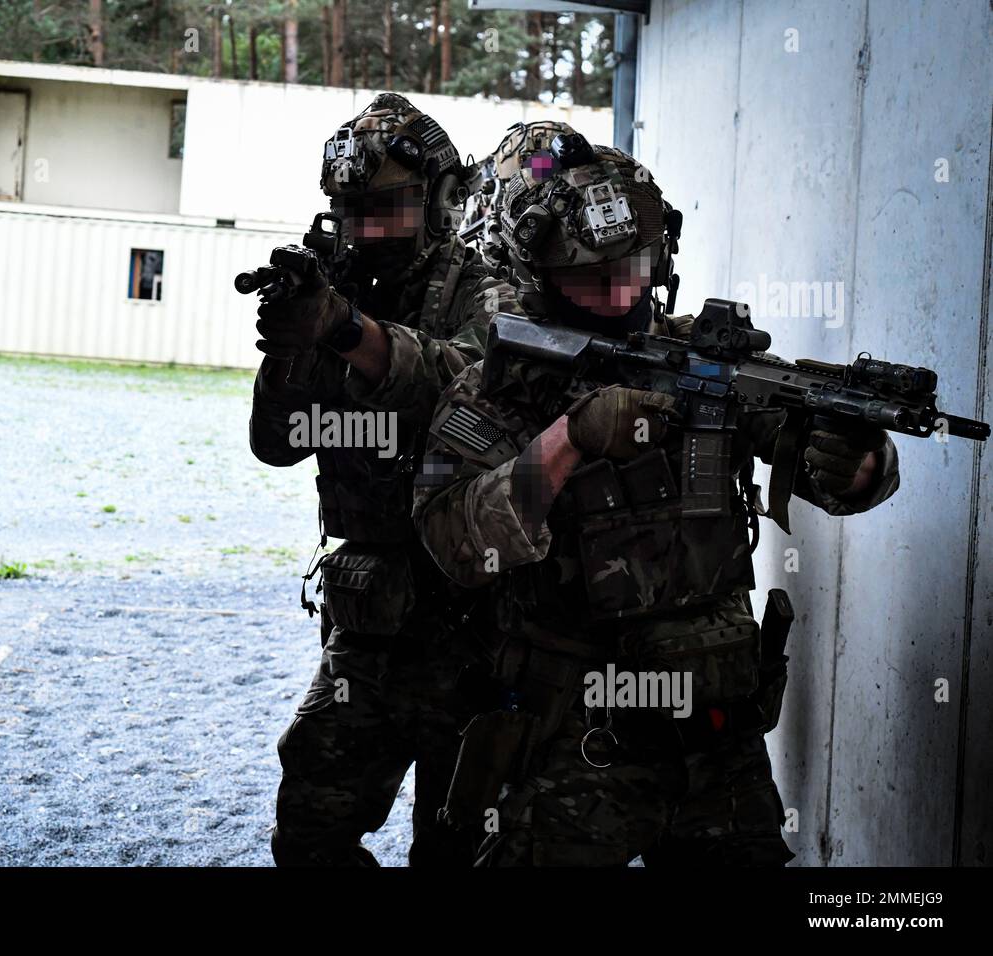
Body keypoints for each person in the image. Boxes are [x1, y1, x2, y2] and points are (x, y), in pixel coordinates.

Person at [412, 125, 900, 866]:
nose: (618, 296)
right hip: (575, 747)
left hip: (719, 740)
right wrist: (569, 438)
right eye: (589, 279)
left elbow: (834, 473)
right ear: (537, 278)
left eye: (633, 268)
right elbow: (454, 540)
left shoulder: (706, 363)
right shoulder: (500, 386)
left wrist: (861, 463)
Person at [248, 93, 519, 866]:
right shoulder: (330, 290)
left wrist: (347, 334)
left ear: (438, 203)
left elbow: (477, 385)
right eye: (352, 211)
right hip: (367, 626)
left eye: (389, 209)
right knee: (309, 833)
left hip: (478, 626)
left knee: (460, 847)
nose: (368, 230)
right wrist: (293, 350)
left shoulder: (484, 290)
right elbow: (276, 444)